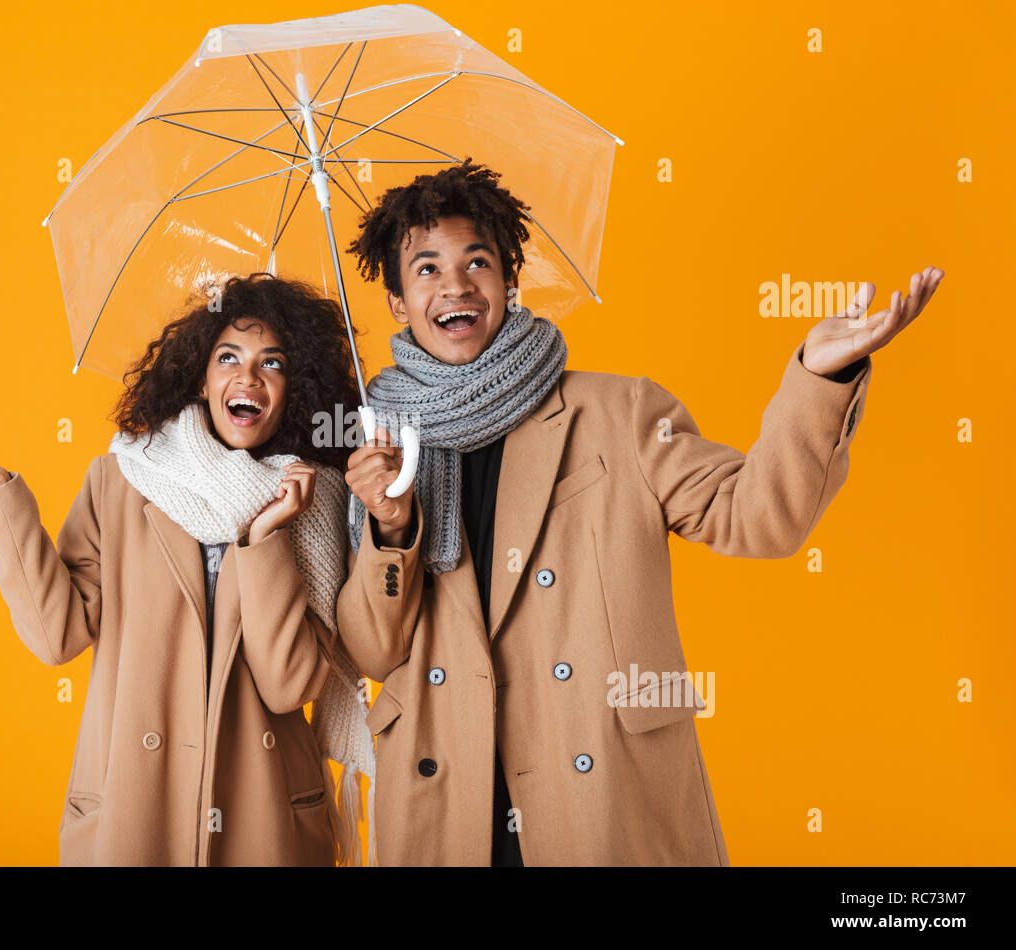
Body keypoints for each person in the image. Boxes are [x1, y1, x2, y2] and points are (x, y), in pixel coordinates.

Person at [336, 159, 944, 866]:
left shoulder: (618, 412)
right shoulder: (381, 447)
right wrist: (390, 527)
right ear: (398, 302)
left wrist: (818, 375)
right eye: (428, 269)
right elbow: (372, 652)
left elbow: (759, 519)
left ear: (509, 280)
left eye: (478, 261)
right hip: (447, 802)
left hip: (599, 795)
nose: (456, 286)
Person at [0, 272, 373, 865]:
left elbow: (288, 684)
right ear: (200, 377)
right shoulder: (120, 479)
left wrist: (266, 536)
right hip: (136, 810)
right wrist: (1, 498)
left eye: (273, 363)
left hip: (260, 815)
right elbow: (57, 636)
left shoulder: (315, 502)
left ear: (296, 388)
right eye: (228, 358)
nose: (248, 378)